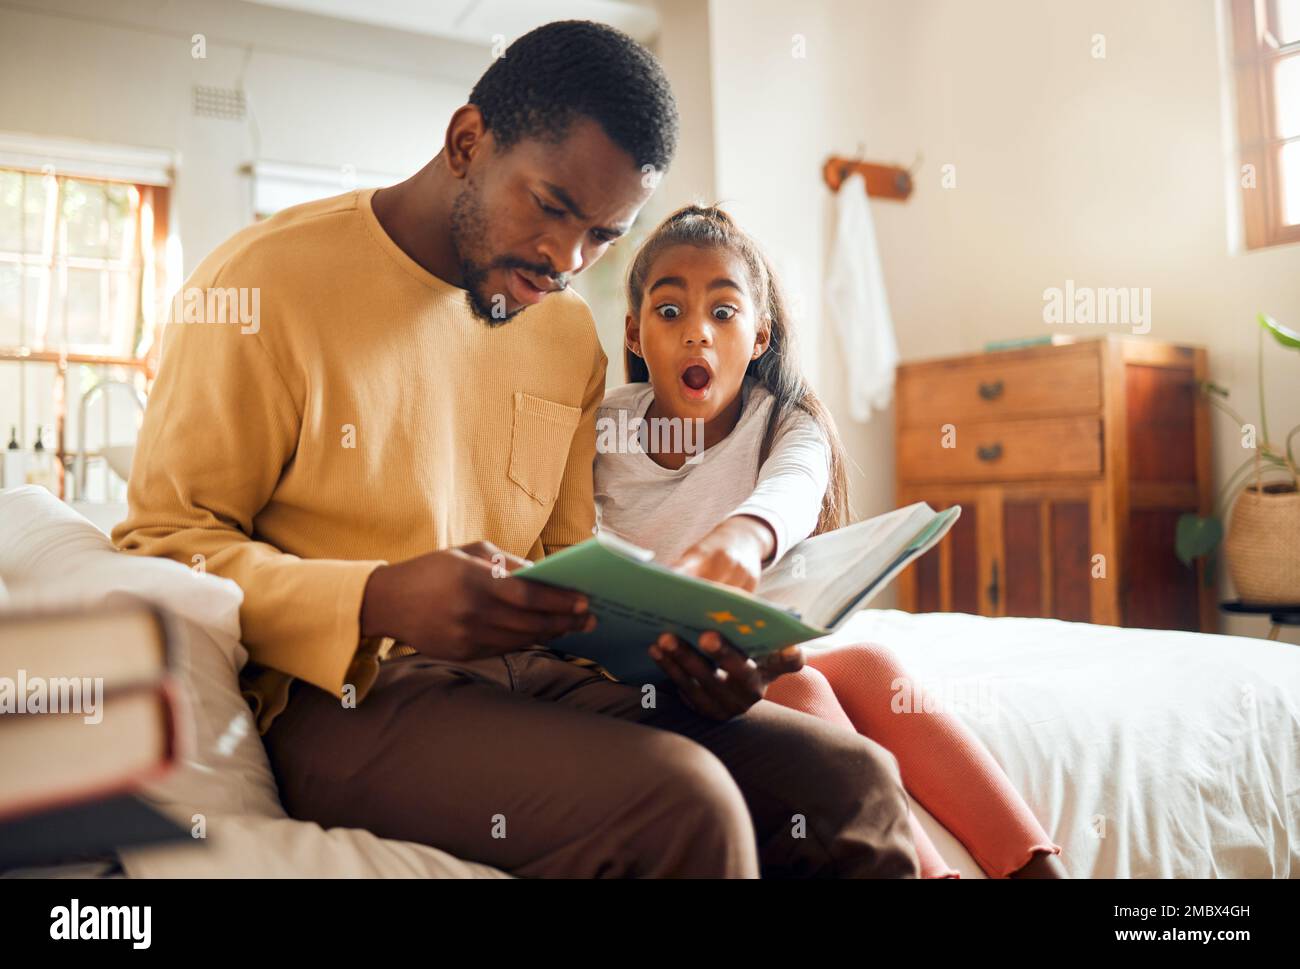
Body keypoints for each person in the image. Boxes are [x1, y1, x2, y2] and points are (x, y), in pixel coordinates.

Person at [114, 20, 919, 878]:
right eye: (553, 208)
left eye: (604, 237)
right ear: (468, 142)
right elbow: (165, 548)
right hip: (345, 698)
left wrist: (685, 657)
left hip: (538, 673)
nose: (566, 261)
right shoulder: (261, 286)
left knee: (852, 781)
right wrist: (378, 597)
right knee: (684, 802)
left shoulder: (566, 333)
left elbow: (564, 558)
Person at [594, 202, 1067, 877]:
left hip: (750, 655)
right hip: (652, 674)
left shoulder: (787, 421)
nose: (697, 333)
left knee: (870, 664)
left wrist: (742, 538)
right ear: (636, 334)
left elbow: (792, 489)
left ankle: (1041, 870)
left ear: (759, 334)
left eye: (723, 313)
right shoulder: (603, 430)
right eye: (670, 313)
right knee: (797, 689)